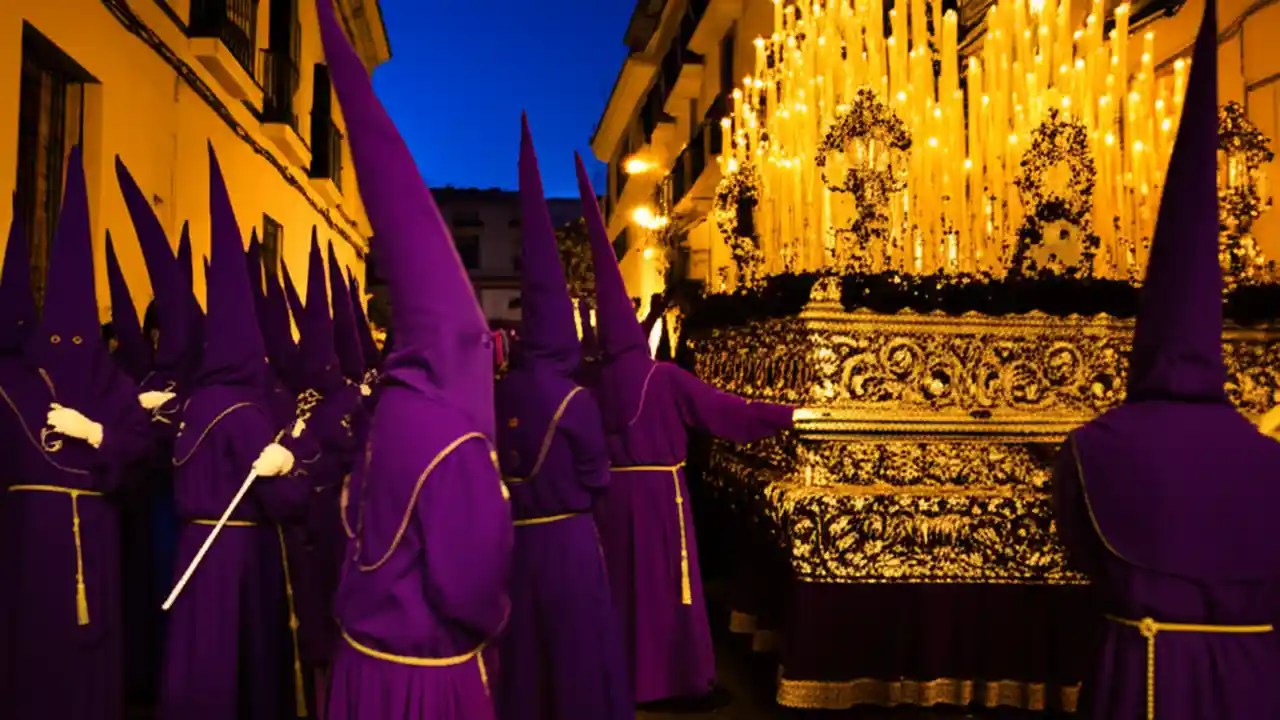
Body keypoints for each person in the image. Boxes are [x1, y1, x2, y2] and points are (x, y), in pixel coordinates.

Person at [1053, 2, 1280, 718]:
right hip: (1256, 676)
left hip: (1143, 673)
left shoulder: (1093, 447)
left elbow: (1083, 554)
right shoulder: (1270, 454)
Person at [317, 2, 514, 718]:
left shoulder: (391, 409)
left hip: (361, 664)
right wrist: (497, 618)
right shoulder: (454, 441)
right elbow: (469, 586)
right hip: (425, 679)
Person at [575, 156, 798, 706]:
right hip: (658, 496)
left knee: (621, 587)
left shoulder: (590, 381)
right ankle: (667, 678)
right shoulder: (665, 377)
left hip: (609, 497)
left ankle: (619, 674)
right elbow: (731, 414)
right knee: (664, 589)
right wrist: (791, 414)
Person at [0, 147, 154, 720]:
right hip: (21, 542)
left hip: (91, 537)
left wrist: (96, 433)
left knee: (85, 658)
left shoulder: (110, 384)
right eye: (56, 337)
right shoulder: (15, 381)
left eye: (77, 336)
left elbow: (139, 452)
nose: (67, 348)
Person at [158, 146, 310, 720]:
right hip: (238, 552)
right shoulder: (246, 412)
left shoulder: (197, 402)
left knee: (196, 652)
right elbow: (282, 501)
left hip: (192, 544)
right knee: (235, 661)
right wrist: (293, 465)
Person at [493, 116, 631, 720]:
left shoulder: (503, 390)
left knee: (524, 655)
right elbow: (598, 476)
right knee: (578, 651)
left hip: (517, 542)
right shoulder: (575, 398)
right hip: (569, 539)